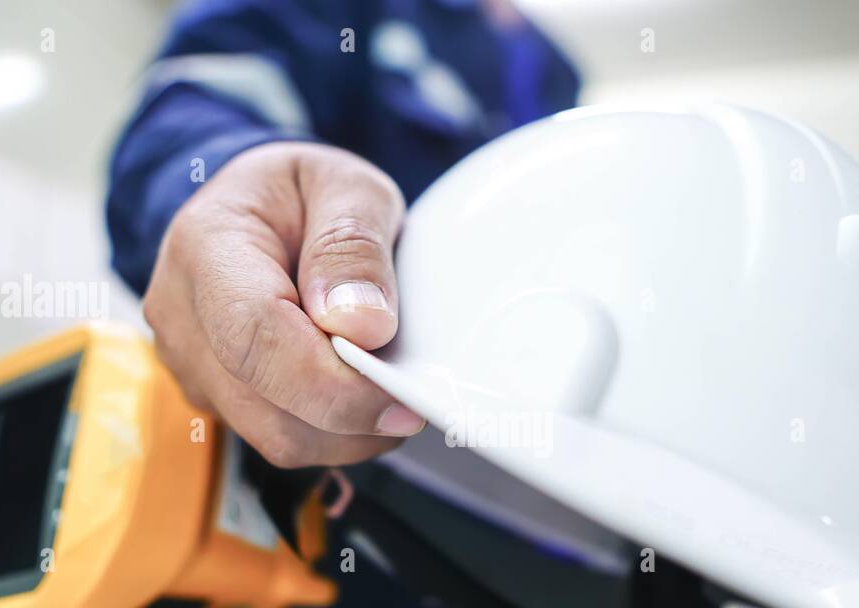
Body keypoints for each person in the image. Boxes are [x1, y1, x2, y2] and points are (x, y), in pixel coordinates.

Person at [106, 0, 579, 469]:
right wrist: (229, 170)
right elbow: (203, 96)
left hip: (522, 464)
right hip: (332, 456)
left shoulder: (555, 68)